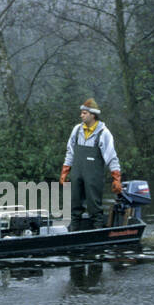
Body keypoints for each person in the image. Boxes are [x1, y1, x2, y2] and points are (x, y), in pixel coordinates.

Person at [59, 98, 121, 230]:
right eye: (81, 113)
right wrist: (65, 171)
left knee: (94, 204)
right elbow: (70, 152)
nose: (81, 115)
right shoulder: (76, 130)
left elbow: (111, 157)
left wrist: (116, 178)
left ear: (93, 115)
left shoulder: (104, 133)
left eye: (84, 113)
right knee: (74, 202)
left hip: (94, 175)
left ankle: (97, 229)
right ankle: (74, 228)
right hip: (77, 173)